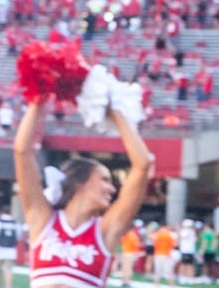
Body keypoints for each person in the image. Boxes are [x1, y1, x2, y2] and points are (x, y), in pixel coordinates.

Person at [14, 96, 154, 288]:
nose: (112, 189)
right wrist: (36, 102)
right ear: (80, 183)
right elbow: (22, 152)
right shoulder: (44, 219)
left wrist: (116, 113)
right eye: (105, 179)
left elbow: (142, 165)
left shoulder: (105, 230)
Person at [0, 209, 21, 288]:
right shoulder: (15, 223)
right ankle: (8, 286)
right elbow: (18, 237)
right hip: (11, 250)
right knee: (8, 270)